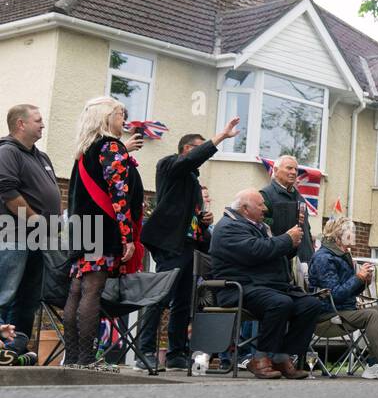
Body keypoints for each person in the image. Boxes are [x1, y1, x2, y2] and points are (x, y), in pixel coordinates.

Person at [136, 118, 241, 371]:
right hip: (170, 243)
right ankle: (144, 352)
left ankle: (176, 354)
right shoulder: (169, 165)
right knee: (160, 296)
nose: (202, 151)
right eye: (199, 147)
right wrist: (219, 137)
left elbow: (188, 214)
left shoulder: (192, 180)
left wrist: (203, 220)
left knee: (183, 301)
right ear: (186, 149)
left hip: (188, 244)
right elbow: (189, 162)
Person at [62, 97, 146, 370]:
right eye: (120, 115)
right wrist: (127, 236)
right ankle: (86, 359)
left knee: (77, 290)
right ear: (106, 117)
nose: (125, 121)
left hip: (82, 227)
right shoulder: (111, 146)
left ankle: (73, 358)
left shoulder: (84, 149)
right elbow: (118, 194)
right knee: (92, 291)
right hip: (102, 228)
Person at [209, 188, 324, 380]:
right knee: (280, 303)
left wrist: (292, 243)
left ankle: (282, 356)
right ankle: (260, 357)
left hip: (265, 286)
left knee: (310, 305)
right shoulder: (228, 226)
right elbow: (255, 251)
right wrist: (287, 238)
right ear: (245, 209)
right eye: (260, 204)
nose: (265, 208)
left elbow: (274, 254)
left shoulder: (259, 226)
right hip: (238, 286)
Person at [309, 217, 378, 380]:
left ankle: (373, 364)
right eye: (352, 230)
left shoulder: (341, 255)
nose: (354, 234)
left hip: (342, 310)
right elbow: (334, 295)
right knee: (371, 314)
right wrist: (358, 278)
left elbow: (347, 292)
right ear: (338, 234)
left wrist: (363, 281)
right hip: (325, 315)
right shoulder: (324, 258)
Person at [0, 104, 64, 343]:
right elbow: (6, 190)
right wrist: (35, 219)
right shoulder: (7, 152)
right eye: (38, 120)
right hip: (14, 235)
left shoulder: (40, 155)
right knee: (5, 293)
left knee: (29, 297)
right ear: (21, 124)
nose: (43, 125)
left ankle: (16, 347)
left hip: (40, 238)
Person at [260, 155, 315, 277]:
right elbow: (262, 226)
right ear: (275, 170)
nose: (294, 172)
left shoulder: (300, 197)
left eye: (296, 169)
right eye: (289, 168)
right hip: (282, 263)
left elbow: (307, 228)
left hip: (306, 260)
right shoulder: (265, 195)